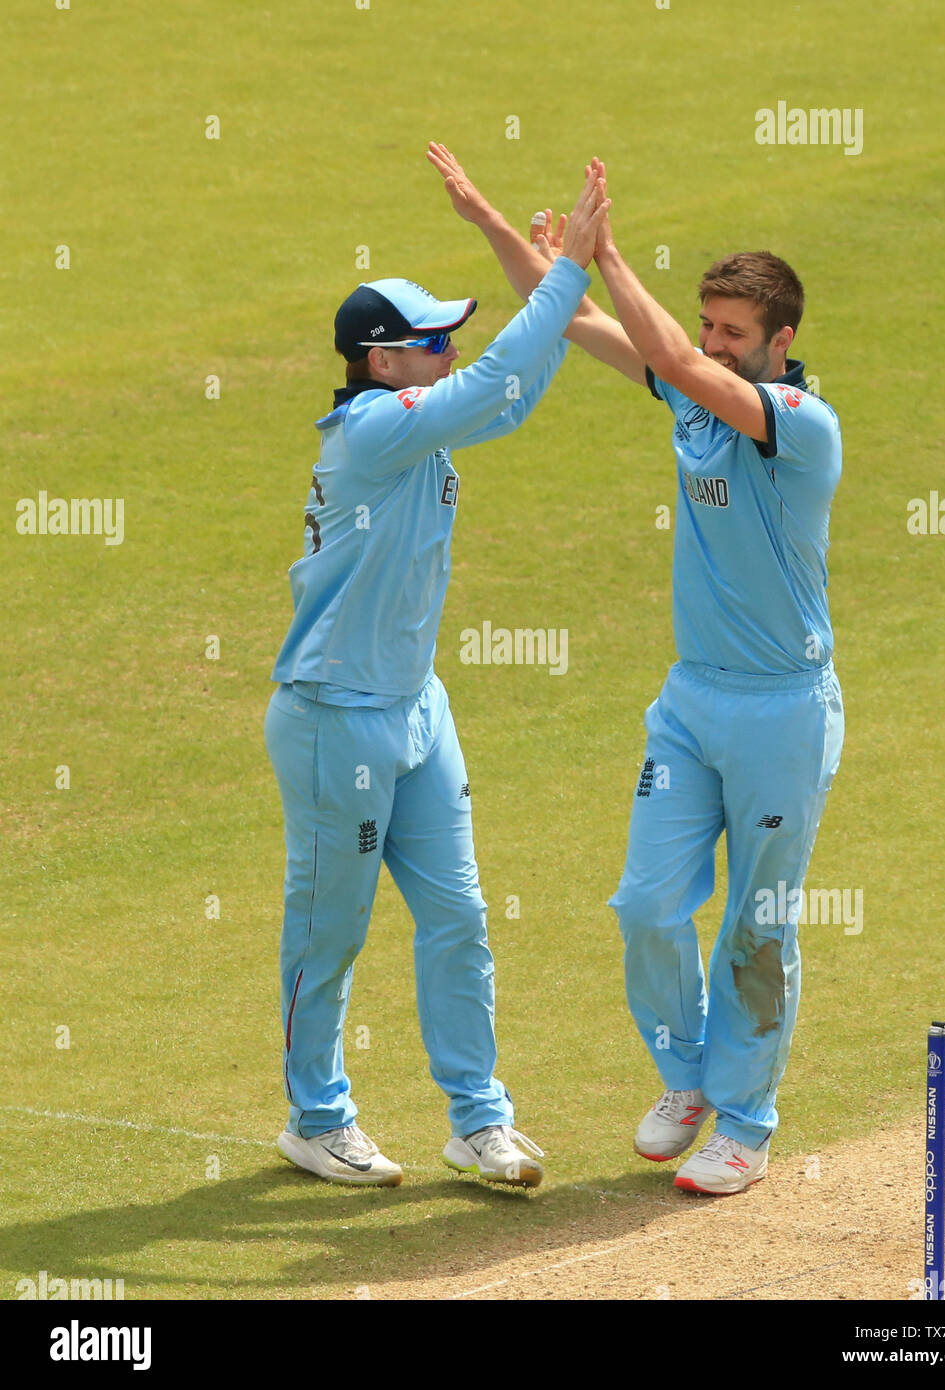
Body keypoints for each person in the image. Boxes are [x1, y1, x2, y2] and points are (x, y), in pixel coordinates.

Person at [431, 147, 844, 1195]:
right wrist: (503, 229)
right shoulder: (699, 398)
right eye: (707, 327)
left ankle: (745, 1119)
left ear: (780, 342)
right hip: (692, 698)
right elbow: (566, 318)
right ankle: (689, 1077)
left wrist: (608, 252)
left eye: (733, 332)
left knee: (756, 921)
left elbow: (670, 356)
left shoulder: (801, 425)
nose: (711, 345)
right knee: (646, 904)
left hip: (783, 710)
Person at [264, 166, 610, 1189]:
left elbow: (506, 397)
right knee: (331, 932)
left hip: (417, 708)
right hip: (335, 715)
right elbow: (492, 383)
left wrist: (560, 285)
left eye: (450, 337)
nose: (449, 350)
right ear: (379, 360)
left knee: (459, 914)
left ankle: (476, 1119)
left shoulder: (416, 421)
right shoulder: (374, 431)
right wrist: (568, 272)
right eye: (431, 341)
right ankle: (316, 1117)